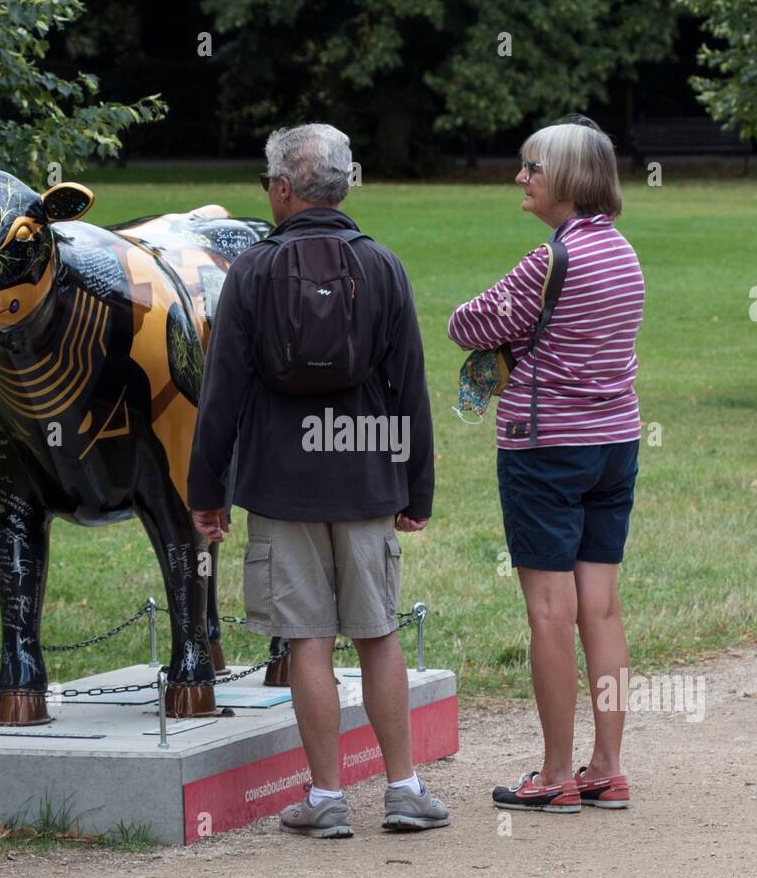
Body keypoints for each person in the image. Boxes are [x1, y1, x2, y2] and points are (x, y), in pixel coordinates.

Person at [188, 123, 448, 838]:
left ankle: (327, 798)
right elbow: (410, 390)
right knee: (379, 632)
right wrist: (416, 490)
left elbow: (222, 395)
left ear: (281, 188)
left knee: (306, 639)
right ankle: (403, 788)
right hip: (367, 476)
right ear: (342, 184)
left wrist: (205, 492)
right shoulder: (384, 267)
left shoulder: (251, 273)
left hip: (280, 482)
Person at [447, 118, 643, 813]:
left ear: (565, 179)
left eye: (531, 167)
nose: (520, 178)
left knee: (550, 614)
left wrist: (517, 332)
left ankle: (556, 773)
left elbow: (465, 325)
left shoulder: (549, 261)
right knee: (603, 608)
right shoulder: (625, 254)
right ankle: (608, 767)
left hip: (543, 449)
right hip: (615, 444)